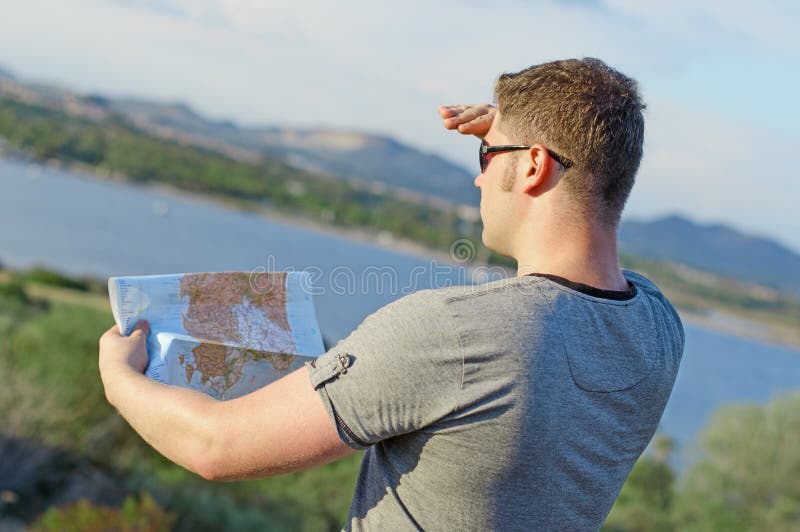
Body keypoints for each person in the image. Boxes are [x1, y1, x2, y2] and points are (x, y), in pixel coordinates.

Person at [99, 58, 684, 530]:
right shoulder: (658, 328)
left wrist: (121, 380)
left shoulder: (458, 337)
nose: (479, 176)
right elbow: (590, 228)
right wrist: (515, 135)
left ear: (534, 167)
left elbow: (217, 446)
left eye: (486, 157)